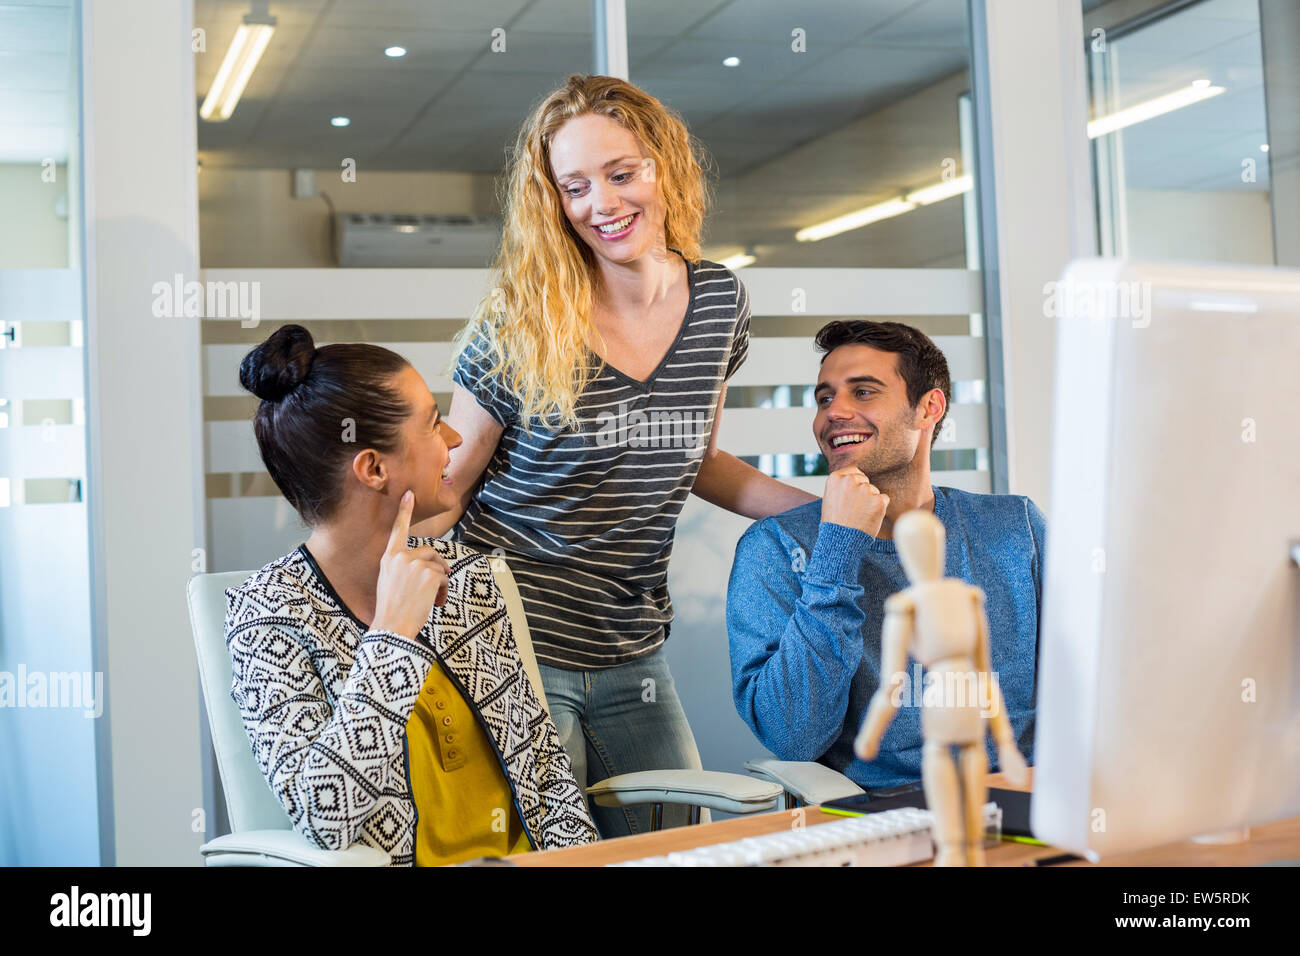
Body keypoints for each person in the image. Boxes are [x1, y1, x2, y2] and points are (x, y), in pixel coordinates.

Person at [414, 74, 816, 837]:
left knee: (680, 845)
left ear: (665, 166)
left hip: (633, 644)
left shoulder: (719, 303)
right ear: (554, 202)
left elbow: (696, 459)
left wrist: (829, 515)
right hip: (511, 639)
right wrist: (369, 599)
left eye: (621, 173)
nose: (602, 203)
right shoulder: (523, 322)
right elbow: (450, 486)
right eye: (575, 187)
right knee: (543, 852)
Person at [224, 324, 599, 866]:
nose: (454, 439)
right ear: (374, 468)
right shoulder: (269, 615)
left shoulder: (466, 576)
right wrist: (390, 636)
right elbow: (323, 817)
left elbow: (545, 769)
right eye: (432, 424)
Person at [726, 320, 1044, 791]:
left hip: (1025, 801)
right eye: (825, 397)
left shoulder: (1016, 527)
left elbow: (1090, 681)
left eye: (864, 392)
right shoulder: (774, 549)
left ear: (928, 408)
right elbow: (793, 735)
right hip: (877, 816)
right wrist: (837, 547)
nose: (834, 413)